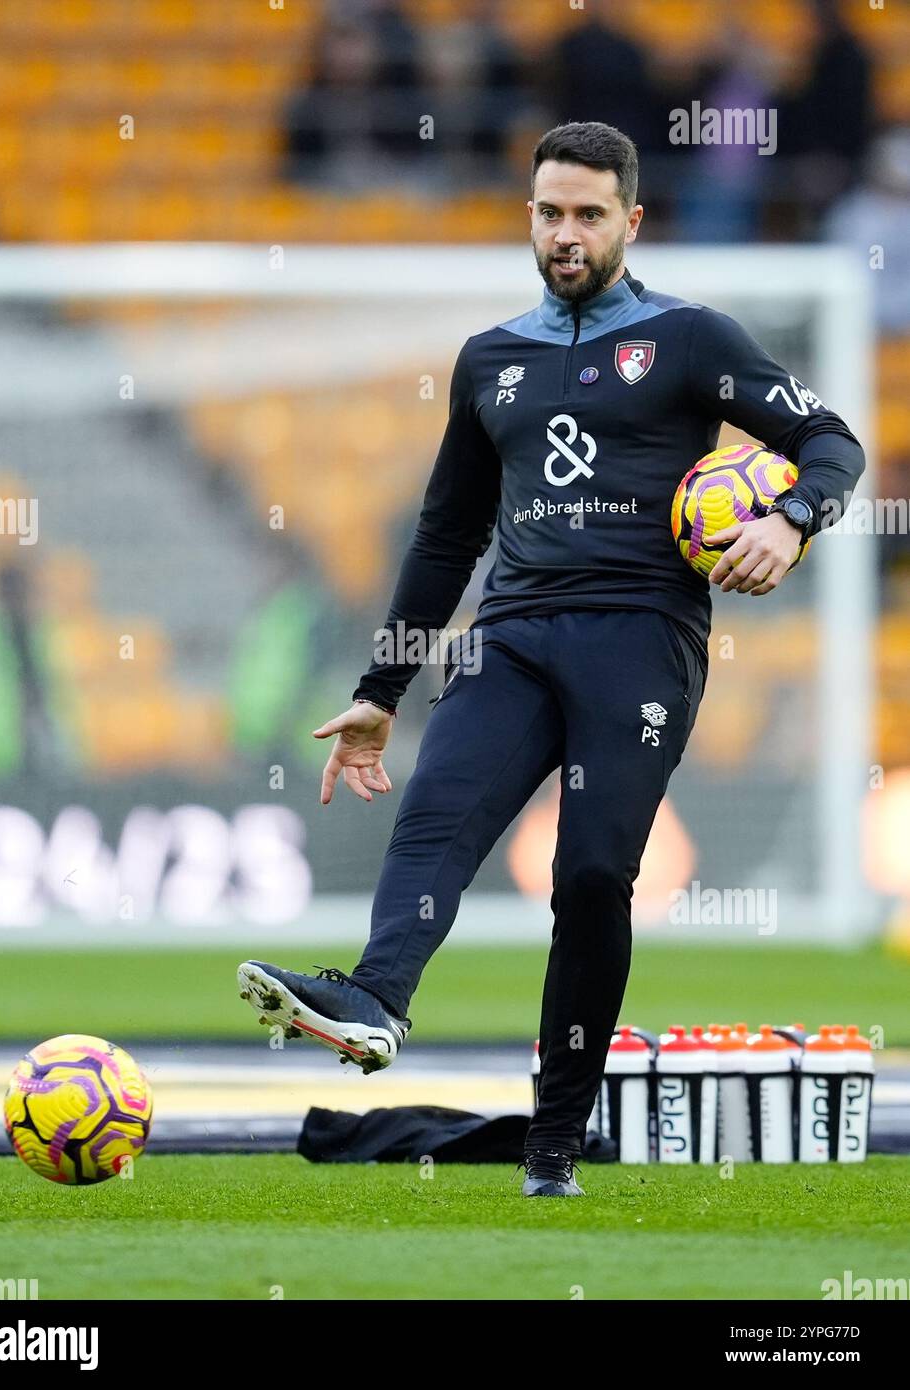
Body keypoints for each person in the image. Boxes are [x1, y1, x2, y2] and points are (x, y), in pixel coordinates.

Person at [238, 122, 865, 1197]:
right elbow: (446, 537)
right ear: (527, 215)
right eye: (548, 212)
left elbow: (834, 443)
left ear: (632, 219)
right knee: (438, 807)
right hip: (515, 633)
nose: (565, 234)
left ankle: (554, 1141)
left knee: (589, 878)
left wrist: (793, 519)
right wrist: (378, 691)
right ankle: (376, 1000)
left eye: (587, 214)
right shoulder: (492, 360)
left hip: (642, 641)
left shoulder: (694, 340)